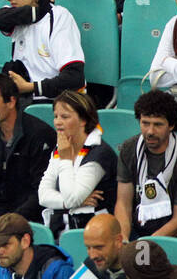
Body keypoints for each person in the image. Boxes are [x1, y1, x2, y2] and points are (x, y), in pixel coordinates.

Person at [0, 0, 86, 102]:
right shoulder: (18, 15)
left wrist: (31, 87)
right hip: (25, 97)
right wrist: (35, 12)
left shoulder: (59, 17)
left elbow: (74, 77)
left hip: (56, 101)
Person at [0, 72, 57, 222]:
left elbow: (41, 191)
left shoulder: (39, 135)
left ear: (11, 102)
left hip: (31, 220)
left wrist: (11, 221)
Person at [115, 90, 177, 240]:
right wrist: (124, 241)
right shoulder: (128, 149)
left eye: (158, 124)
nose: (150, 131)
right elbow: (123, 204)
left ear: (171, 125)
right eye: (145, 123)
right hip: (136, 230)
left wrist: (147, 244)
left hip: (176, 236)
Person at [39, 89, 118, 234]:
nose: (58, 122)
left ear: (83, 120)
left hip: (95, 232)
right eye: (56, 116)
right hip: (62, 228)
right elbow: (43, 195)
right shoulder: (61, 147)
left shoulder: (99, 153)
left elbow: (72, 197)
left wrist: (65, 159)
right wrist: (74, 203)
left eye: (65, 117)